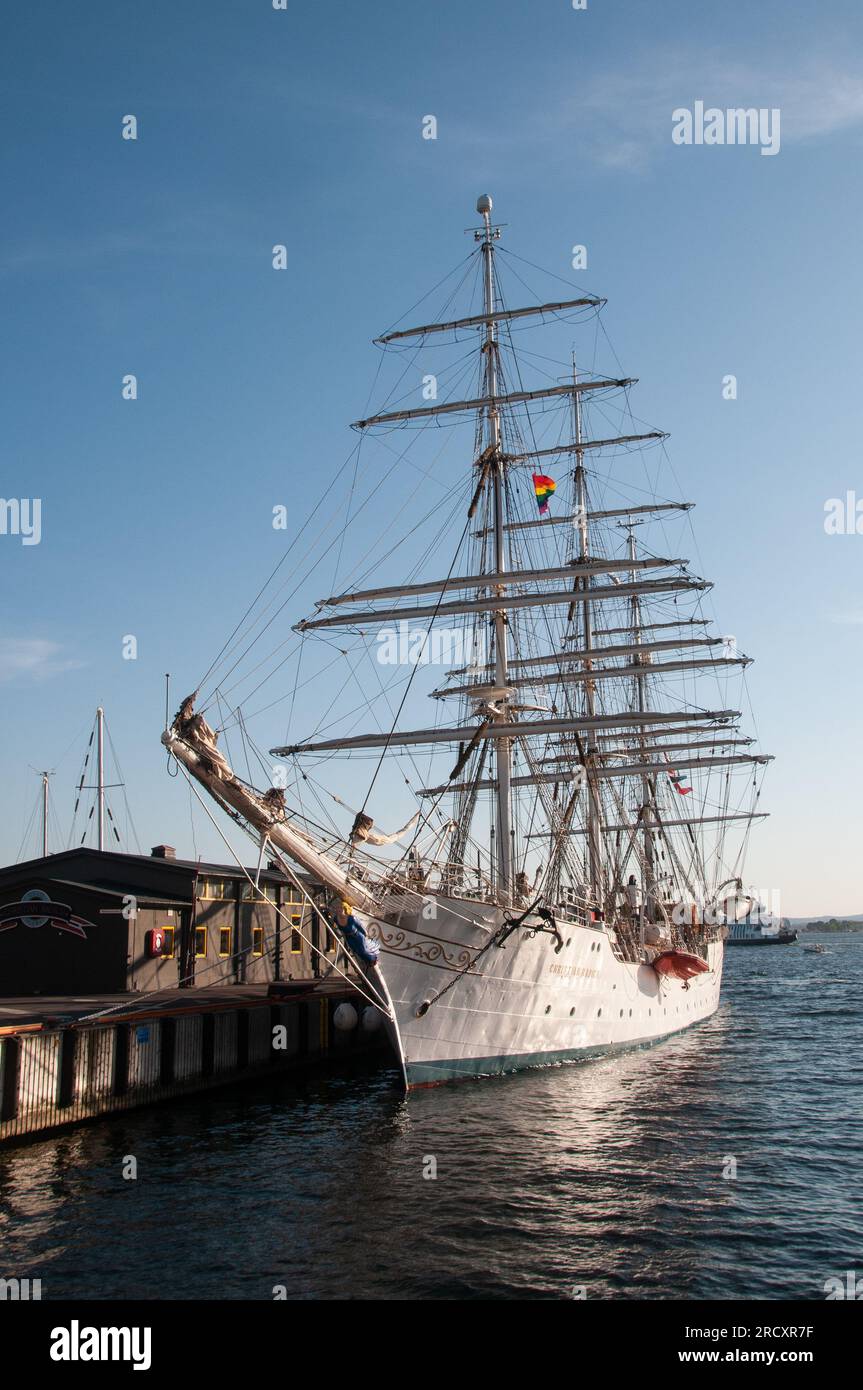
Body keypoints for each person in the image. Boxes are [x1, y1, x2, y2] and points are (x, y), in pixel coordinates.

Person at [332, 899, 380, 966]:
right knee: (356, 951)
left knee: (363, 951)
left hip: (357, 936)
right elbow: (334, 926)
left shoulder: (351, 918)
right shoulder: (336, 919)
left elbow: (360, 926)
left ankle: (373, 959)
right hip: (348, 937)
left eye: (340, 908)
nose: (338, 910)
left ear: (345, 909)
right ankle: (367, 962)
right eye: (337, 908)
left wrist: (365, 933)